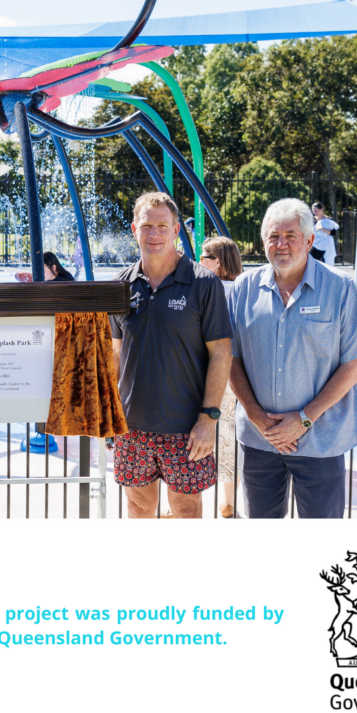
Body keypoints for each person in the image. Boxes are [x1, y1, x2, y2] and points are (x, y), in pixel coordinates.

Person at [229, 198, 357, 519]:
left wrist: (305, 418)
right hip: (259, 439)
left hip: (321, 438)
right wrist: (255, 414)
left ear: (309, 240)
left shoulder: (339, 289)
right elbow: (231, 357)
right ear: (263, 241)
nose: (282, 244)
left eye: (291, 236)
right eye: (273, 236)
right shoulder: (243, 289)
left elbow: (354, 364)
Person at [109, 192, 233, 519]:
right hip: (131, 427)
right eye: (147, 225)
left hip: (188, 427)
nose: (154, 234)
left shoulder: (204, 283)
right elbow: (115, 355)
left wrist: (209, 418)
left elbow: (221, 354)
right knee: (137, 508)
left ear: (176, 229)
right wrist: (111, 416)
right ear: (134, 228)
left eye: (162, 225)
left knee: (187, 510)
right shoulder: (121, 285)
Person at [199, 235, 244, 518]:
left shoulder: (207, 290)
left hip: (210, 371)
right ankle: (229, 501)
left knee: (201, 434)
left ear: (216, 263)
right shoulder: (245, 290)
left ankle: (192, 498)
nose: (199, 261)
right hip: (238, 374)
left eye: (204, 257)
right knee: (229, 436)